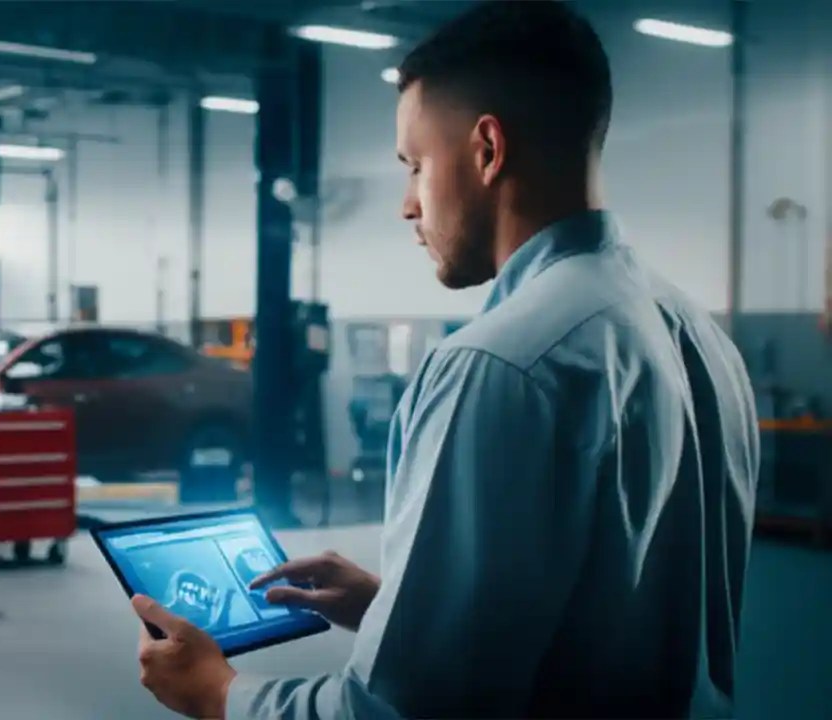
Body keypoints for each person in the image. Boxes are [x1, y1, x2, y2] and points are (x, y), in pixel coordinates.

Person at [129, 2, 760, 718]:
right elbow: (611, 617)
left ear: (487, 149)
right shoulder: (698, 336)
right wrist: (398, 608)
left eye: (415, 166)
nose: (408, 205)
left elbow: (401, 711)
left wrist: (221, 695)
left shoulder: (496, 365)